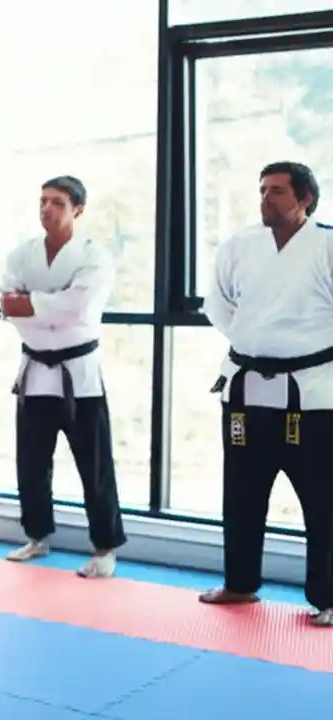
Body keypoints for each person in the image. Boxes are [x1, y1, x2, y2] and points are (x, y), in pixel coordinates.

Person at [200, 161, 333, 628]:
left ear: (305, 200)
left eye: (277, 191)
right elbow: (218, 304)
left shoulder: (328, 245)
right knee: (241, 493)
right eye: (262, 189)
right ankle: (240, 583)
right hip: (246, 388)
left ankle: (329, 597)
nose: (265, 198)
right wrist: (257, 341)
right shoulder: (239, 246)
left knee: (323, 500)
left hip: (312, 396)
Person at [0, 176, 126, 578]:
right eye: (42, 201)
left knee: (95, 463)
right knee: (32, 462)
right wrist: (51, 307)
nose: (46, 209)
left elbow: (80, 308)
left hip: (79, 374)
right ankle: (37, 536)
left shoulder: (94, 257)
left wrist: (31, 304)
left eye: (56, 202)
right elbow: (6, 305)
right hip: (35, 371)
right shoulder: (22, 254)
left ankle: (104, 548)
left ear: (78, 210)